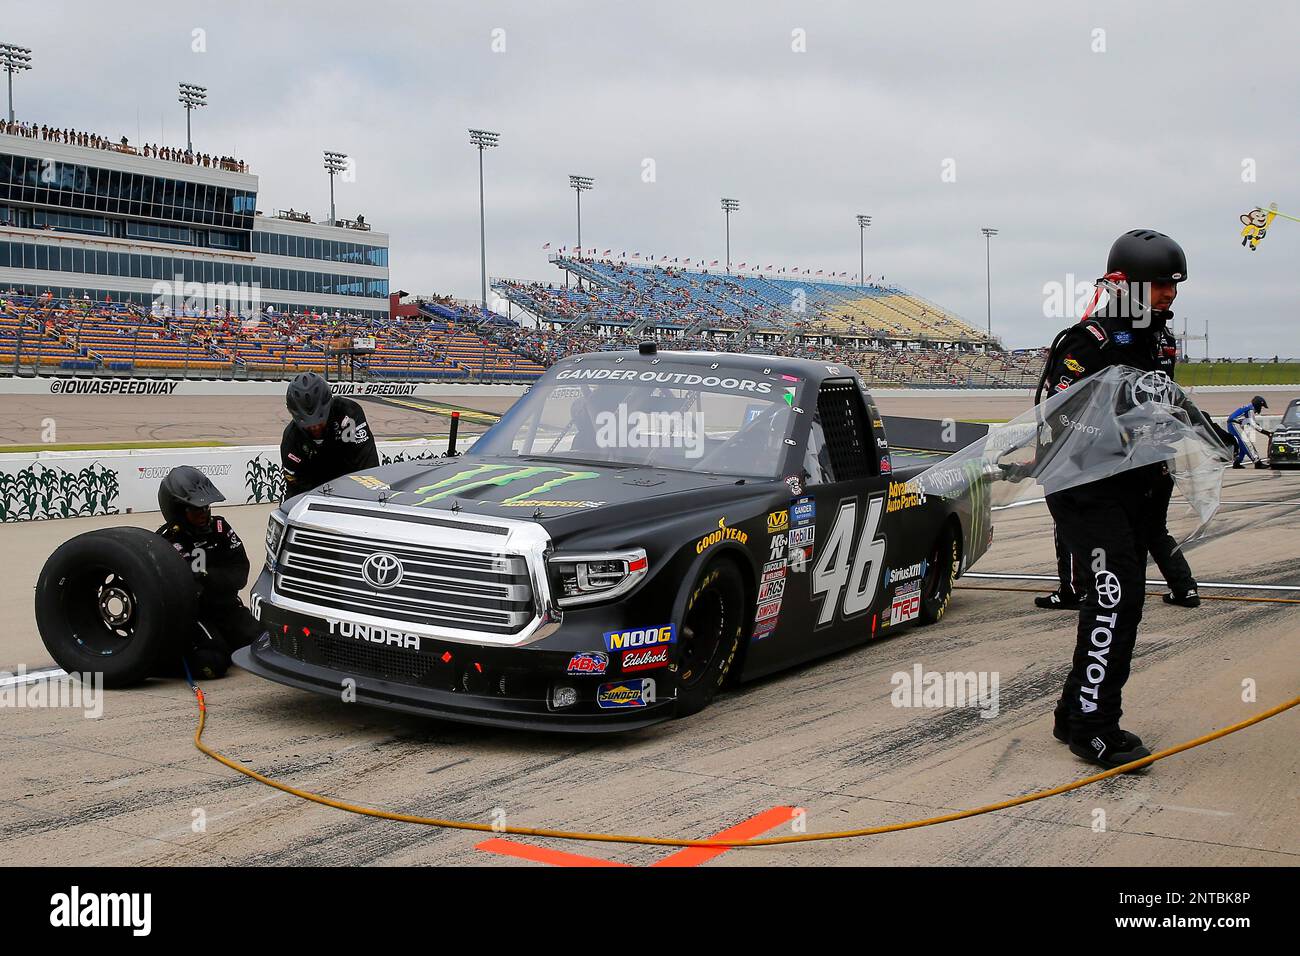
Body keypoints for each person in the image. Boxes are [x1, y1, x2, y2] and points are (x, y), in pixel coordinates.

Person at [1035, 228, 1208, 770]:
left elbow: (1162, 407)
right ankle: (1094, 727)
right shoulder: (1085, 341)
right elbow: (1057, 426)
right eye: (1159, 285)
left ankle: (1073, 712)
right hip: (1087, 492)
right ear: (1126, 284)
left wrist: (1194, 427)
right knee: (1114, 599)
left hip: (1141, 490)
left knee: (1120, 602)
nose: (1169, 295)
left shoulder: (1162, 341)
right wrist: (1119, 419)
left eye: (1174, 285)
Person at [156, 466, 260, 679]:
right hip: (196, 615)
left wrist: (206, 576)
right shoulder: (167, 542)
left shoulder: (220, 528)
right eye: (196, 510)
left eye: (206, 508)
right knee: (215, 663)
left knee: (263, 642)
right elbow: (185, 591)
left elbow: (240, 574)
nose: (204, 514)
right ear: (178, 510)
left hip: (226, 607)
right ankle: (158, 665)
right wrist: (213, 577)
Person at [280, 371, 379, 497]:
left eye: (320, 422)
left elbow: (369, 468)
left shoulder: (349, 415)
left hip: (354, 488)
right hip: (316, 494)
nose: (315, 427)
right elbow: (293, 490)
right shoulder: (291, 442)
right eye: (309, 426)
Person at [1226, 396, 1271, 469]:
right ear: (1258, 405)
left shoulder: (1249, 408)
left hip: (1233, 424)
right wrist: (1266, 433)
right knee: (1247, 443)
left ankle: (1237, 462)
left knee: (1242, 445)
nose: (1261, 409)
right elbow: (1253, 424)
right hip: (1234, 424)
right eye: (1261, 407)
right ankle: (1257, 462)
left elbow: (1249, 421)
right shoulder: (1251, 409)